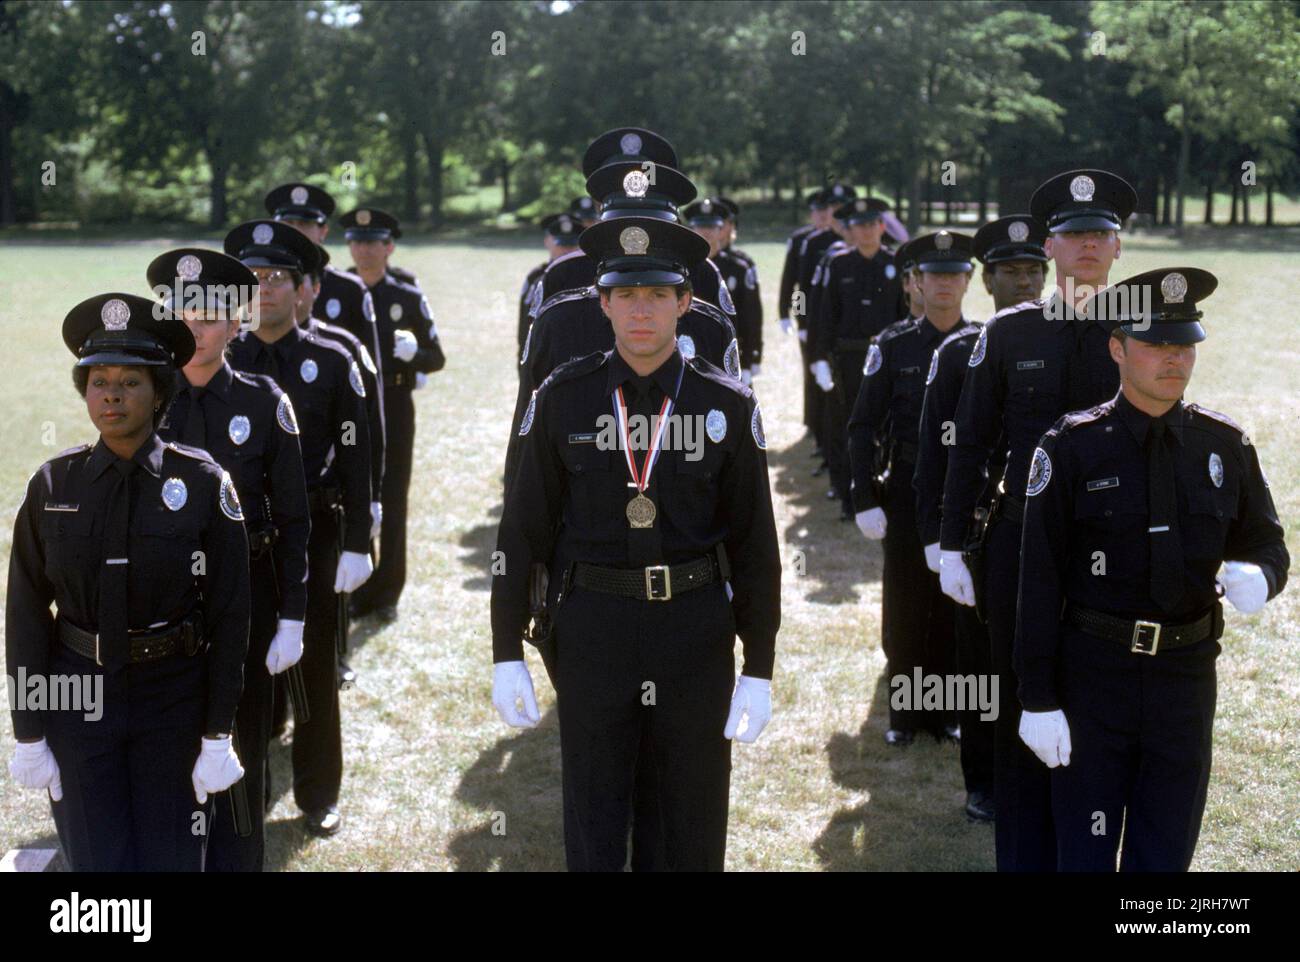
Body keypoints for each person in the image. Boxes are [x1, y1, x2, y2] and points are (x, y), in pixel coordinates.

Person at [489, 215, 781, 871]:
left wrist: (758, 664)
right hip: (594, 628)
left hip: (694, 628)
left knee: (691, 815)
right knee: (594, 813)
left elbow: (756, 546)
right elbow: (522, 532)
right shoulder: (564, 398)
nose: (640, 310)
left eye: (657, 295)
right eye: (625, 294)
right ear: (603, 303)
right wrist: (505, 648)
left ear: (685, 302)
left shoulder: (724, 404)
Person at [1015, 268, 1288, 870]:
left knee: (1164, 857)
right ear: (1117, 348)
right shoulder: (1072, 448)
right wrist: (1036, 698)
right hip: (1094, 677)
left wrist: (1261, 577)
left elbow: (1270, 544)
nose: (1175, 359)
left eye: (1185, 343)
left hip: (1186, 681)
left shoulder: (1225, 447)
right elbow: (1037, 582)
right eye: (1157, 345)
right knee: (1083, 855)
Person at [6, 292, 250, 870]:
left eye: (130, 381)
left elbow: (231, 613)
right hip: (77, 698)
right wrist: (29, 730)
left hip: (173, 697)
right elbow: (24, 613)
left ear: (160, 390)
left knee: (172, 856)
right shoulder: (52, 487)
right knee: (97, 863)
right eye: (98, 381)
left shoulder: (203, 484)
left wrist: (218, 732)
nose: (111, 394)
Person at [939, 169, 1137, 871]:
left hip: (1113, 549)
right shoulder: (1008, 330)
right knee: (1019, 703)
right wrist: (952, 543)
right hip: (1019, 547)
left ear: (1118, 246)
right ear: (1050, 247)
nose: (1087, 246)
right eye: (1074, 235)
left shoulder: (1141, 331)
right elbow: (970, 439)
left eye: (1099, 235)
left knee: (1097, 716)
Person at [149, 248, 311, 870]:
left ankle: (240, 858)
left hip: (245, 598)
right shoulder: (142, 398)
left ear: (237, 322)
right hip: (161, 603)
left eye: (210, 314)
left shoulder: (265, 403)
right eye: (182, 312)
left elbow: (295, 519)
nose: (195, 326)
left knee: (241, 743)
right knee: (170, 746)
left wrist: (293, 613)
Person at [225, 219, 373, 837]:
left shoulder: (332, 360)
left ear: (301, 287)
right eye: (252, 278)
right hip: (236, 538)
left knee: (311, 668)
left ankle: (317, 793)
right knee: (239, 669)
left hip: (313, 531)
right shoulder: (218, 357)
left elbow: (362, 457)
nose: (264, 288)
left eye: (277, 277)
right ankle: (247, 789)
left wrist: (361, 539)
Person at [910, 216, 1050, 822]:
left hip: (1042, 525)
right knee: (981, 665)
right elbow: (934, 456)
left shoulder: (1064, 340)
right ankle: (984, 780)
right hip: (979, 529)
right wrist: (940, 541)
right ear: (986, 280)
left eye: (1032, 271)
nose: (1022, 283)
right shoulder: (960, 350)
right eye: (1009, 273)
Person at [848, 231, 973, 750]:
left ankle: (947, 711)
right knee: (904, 601)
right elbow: (861, 426)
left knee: (954, 603)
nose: (944, 284)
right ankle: (905, 709)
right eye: (933, 275)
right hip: (904, 491)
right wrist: (863, 497)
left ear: (968, 281)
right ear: (917, 282)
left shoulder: (982, 345)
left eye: (954, 274)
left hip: (963, 494)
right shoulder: (892, 345)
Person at [340, 207, 447, 623]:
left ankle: (386, 592)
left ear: (389, 247)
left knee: (392, 498)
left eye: (373, 242)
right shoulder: (338, 291)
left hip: (394, 407)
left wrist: (414, 355)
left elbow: (437, 357)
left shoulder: (406, 295)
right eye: (357, 241)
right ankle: (355, 588)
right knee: (352, 497)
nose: (364, 250)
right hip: (347, 411)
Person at [810, 196, 908, 520]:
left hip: (886, 356)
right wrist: (819, 359)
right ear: (850, 230)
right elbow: (825, 314)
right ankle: (848, 498)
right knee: (848, 428)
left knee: (887, 426)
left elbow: (904, 316)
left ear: (882, 226)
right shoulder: (839, 264)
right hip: (848, 358)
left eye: (872, 224)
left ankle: (883, 492)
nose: (866, 231)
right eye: (859, 226)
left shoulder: (895, 264)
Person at [518, 213, 582, 363]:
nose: (567, 251)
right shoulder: (537, 279)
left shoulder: (591, 277)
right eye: (562, 245)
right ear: (549, 242)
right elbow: (525, 330)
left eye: (571, 245)